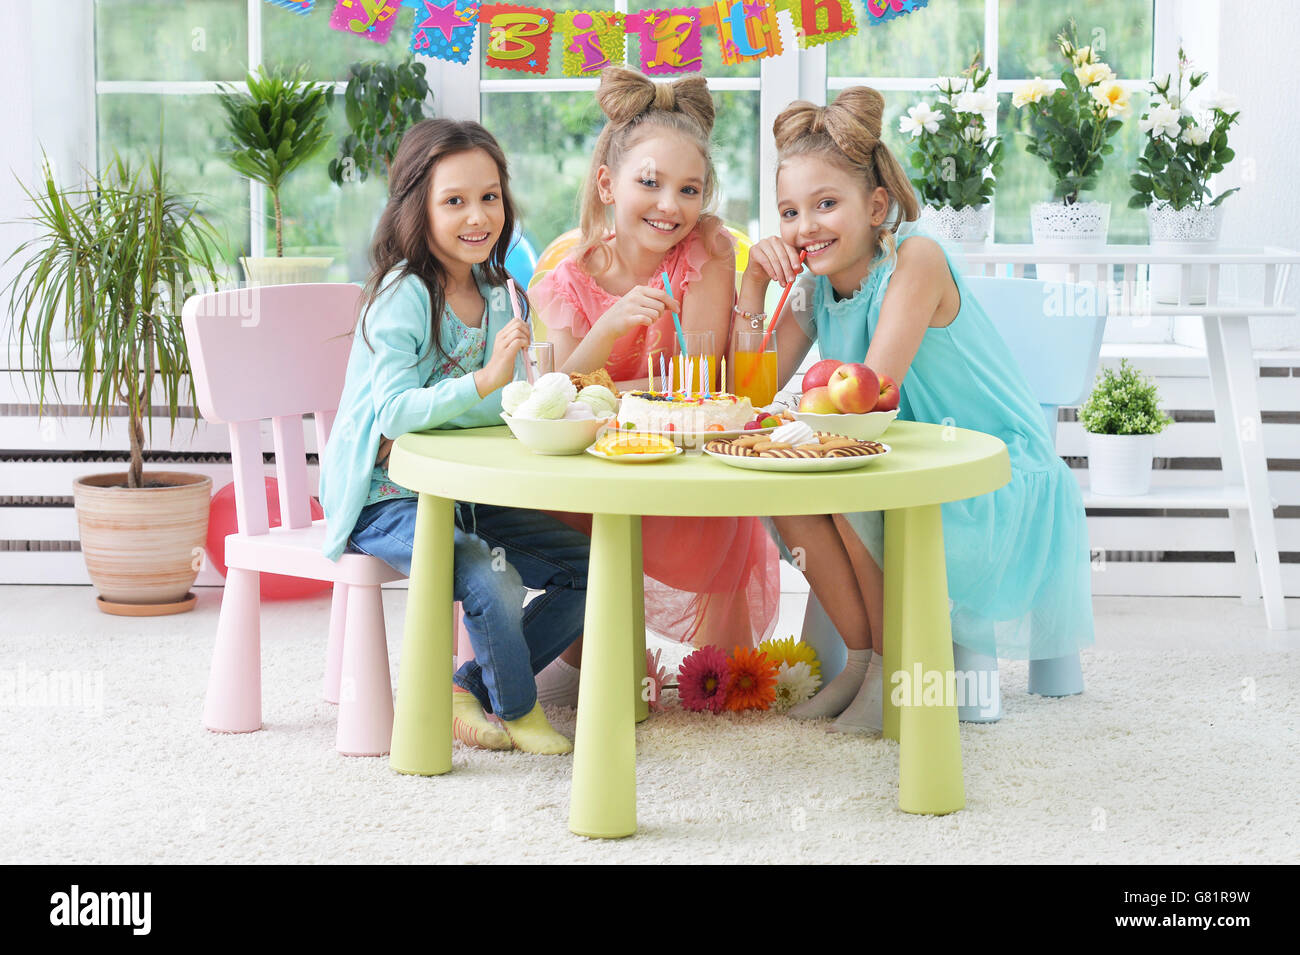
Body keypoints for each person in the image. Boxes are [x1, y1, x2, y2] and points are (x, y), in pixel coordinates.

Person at [738, 88, 1095, 733]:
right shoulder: (814, 286)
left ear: (876, 206)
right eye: (790, 212)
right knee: (783, 489)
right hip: (899, 460)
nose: (804, 227)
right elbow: (749, 393)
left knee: (848, 489)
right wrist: (752, 286)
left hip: (988, 473)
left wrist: (800, 422)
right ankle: (864, 659)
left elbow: (871, 392)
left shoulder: (917, 259)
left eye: (826, 204)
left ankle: (896, 671)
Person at [319, 119, 591, 754]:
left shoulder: (503, 294)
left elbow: (500, 406)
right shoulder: (402, 294)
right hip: (384, 496)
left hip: (464, 488)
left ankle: (468, 686)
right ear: (419, 206)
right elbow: (392, 413)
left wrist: (533, 396)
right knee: (491, 578)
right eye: (455, 200)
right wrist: (486, 380)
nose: (478, 216)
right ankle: (519, 709)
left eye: (490, 196)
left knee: (591, 564)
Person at [528, 67, 780, 706]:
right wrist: (609, 329)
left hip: (678, 460)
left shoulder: (705, 256)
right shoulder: (563, 283)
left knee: (727, 508)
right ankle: (591, 653)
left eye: (688, 189)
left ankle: (717, 678)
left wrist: (620, 391)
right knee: (623, 688)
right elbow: (554, 398)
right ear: (608, 185)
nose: (670, 205)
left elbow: (702, 381)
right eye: (650, 183)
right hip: (589, 478)